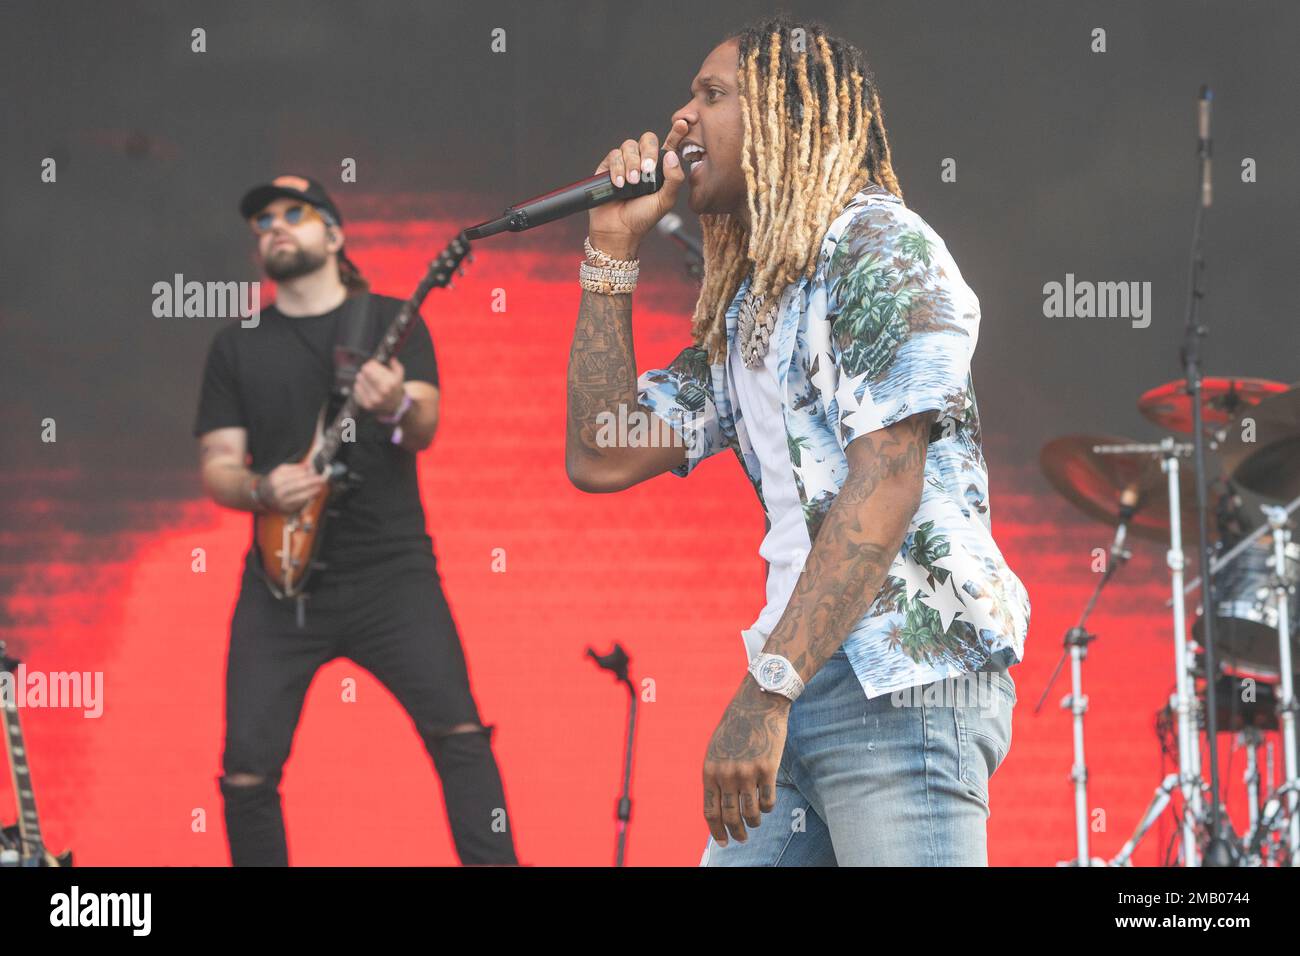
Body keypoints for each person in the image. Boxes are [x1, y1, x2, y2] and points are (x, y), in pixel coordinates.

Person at [563, 17, 1031, 866]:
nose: (680, 119)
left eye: (712, 96)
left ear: (789, 116)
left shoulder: (883, 249)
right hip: (798, 673)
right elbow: (603, 449)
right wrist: (610, 249)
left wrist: (768, 689)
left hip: (899, 683)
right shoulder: (754, 305)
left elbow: (886, 480)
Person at [194, 175, 516, 866]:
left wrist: (394, 403)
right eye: (262, 221)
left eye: (295, 214)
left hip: (392, 575)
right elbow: (219, 465)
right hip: (281, 586)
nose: (274, 227)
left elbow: (423, 426)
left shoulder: (392, 320)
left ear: (335, 235)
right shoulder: (237, 345)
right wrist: (260, 486)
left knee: (460, 736)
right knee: (246, 770)